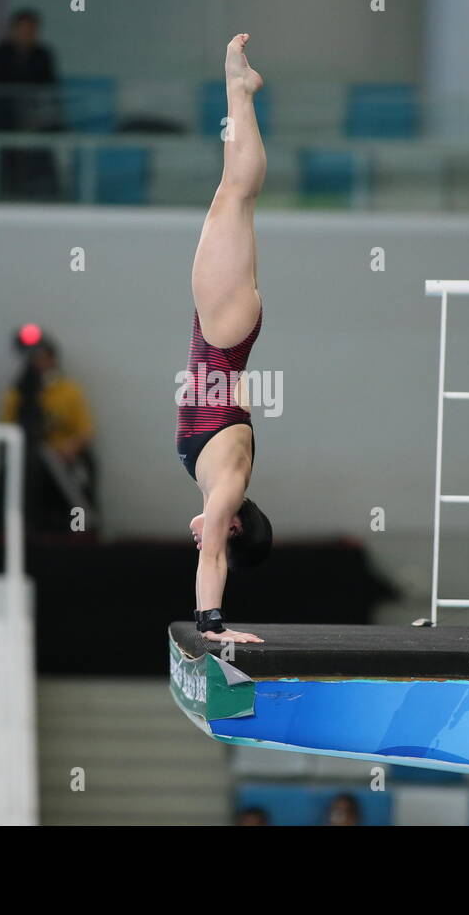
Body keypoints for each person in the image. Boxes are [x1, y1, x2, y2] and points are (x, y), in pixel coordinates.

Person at [175, 34, 272, 644]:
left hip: (219, 332)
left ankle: (241, 93)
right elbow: (210, 560)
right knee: (234, 197)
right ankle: (239, 89)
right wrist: (213, 626)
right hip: (224, 336)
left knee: (229, 200)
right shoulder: (228, 487)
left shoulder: (221, 484)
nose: (208, 534)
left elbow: (214, 545)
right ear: (234, 527)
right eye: (221, 534)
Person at [0, 325, 97, 533]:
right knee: (25, 468)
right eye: (33, 360)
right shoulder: (17, 394)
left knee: (86, 467)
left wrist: (68, 448)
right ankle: (25, 526)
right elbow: (7, 432)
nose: (38, 364)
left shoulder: (69, 391)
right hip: (31, 456)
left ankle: (82, 527)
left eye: (42, 358)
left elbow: (85, 430)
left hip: (65, 454)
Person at [0, 8, 62, 200]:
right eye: (23, 29)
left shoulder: (43, 55)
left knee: (40, 149)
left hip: (36, 118)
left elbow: (48, 88)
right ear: (13, 30)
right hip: (5, 118)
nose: (27, 34)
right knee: (8, 151)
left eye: (32, 30)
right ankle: (7, 191)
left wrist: (34, 115)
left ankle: (45, 193)